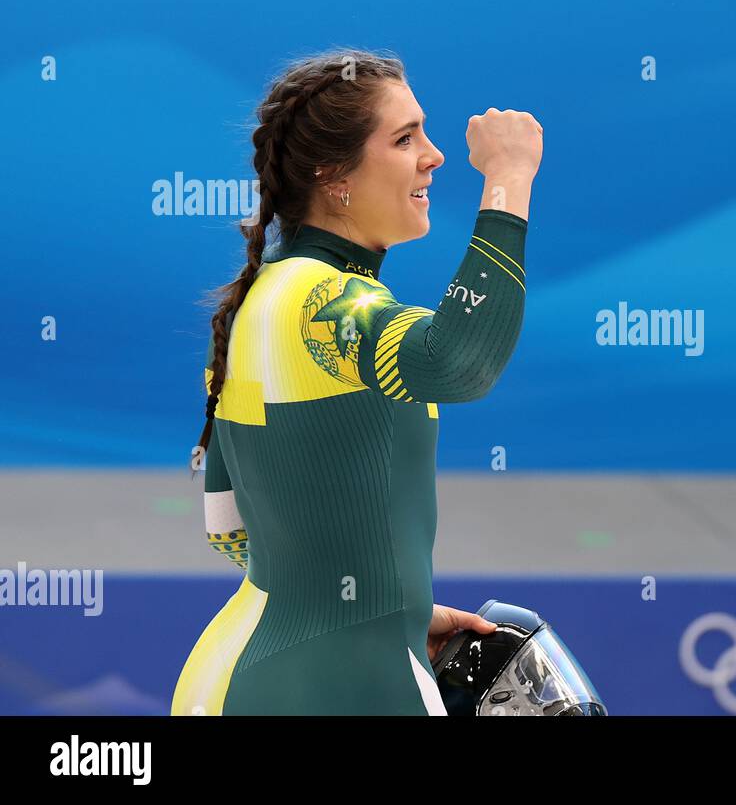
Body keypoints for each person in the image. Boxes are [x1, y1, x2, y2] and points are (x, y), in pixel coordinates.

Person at [170, 48, 542, 715]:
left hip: (244, 671)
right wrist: (509, 180)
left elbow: (228, 525)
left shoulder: (261, 298)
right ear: (332, 173)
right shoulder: (319, 304)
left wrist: (383, 608)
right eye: (405, 139)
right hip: (338, 686)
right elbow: (457, 361)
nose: (434, 155)